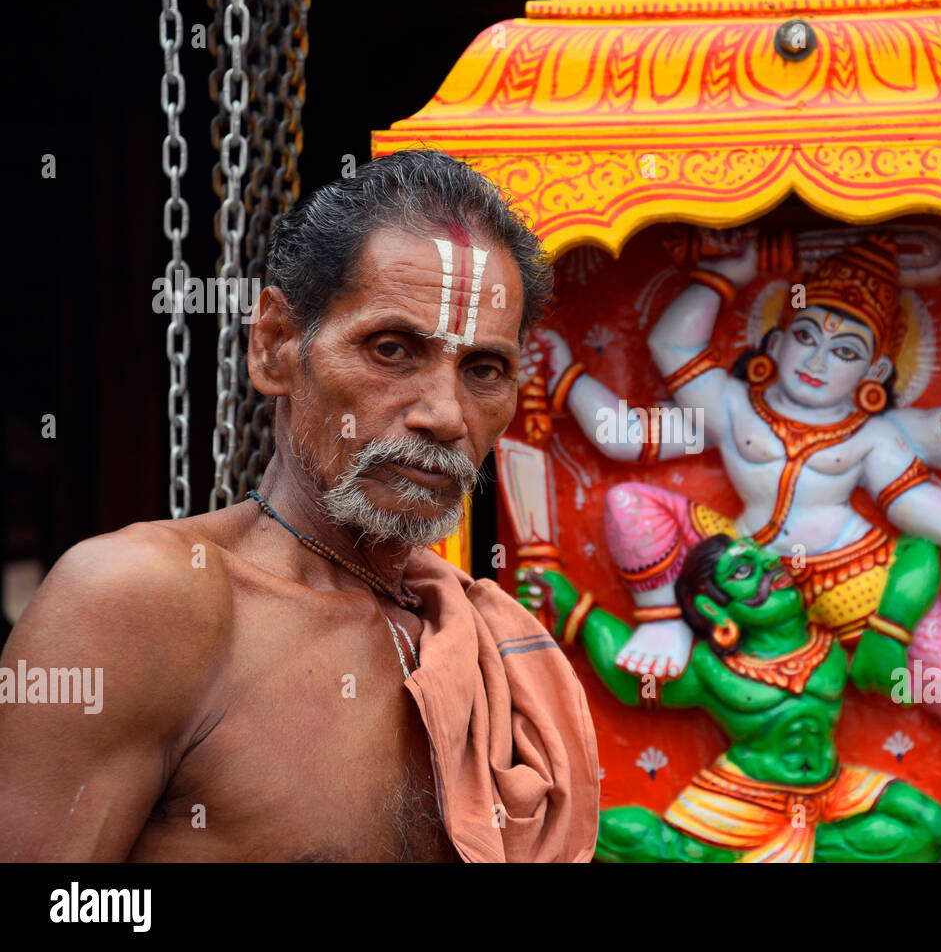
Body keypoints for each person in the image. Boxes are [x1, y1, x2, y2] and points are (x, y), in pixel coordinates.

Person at [0, 149, 599, 862]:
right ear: (277, 345)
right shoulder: (141, 602)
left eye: (484, 369)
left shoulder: (481, 642)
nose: (445, 413)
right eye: (392, 349)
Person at [528, 229, 941, 840]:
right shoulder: (732, 406)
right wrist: (572, 377)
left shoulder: (874, 434)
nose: (819, 362)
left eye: (846, 351)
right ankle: (664, 618)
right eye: (806, 337)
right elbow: (637, 410)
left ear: (877, 368)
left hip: (849, 573)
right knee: (629, 505)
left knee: (933, 655)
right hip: (744, 566)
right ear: (774, 340)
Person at [517, 534, 941, 862]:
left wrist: (892, 640)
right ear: (714, 610)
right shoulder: (712, 668)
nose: (770, 564)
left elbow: (920, 550)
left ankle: (778, 853)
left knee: (932, 828)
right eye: (745, 571)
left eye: (764, 556)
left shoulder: (833, 642)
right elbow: (632, 683)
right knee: (618, 834)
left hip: (832, 789)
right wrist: (578, 612)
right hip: (746, 797)